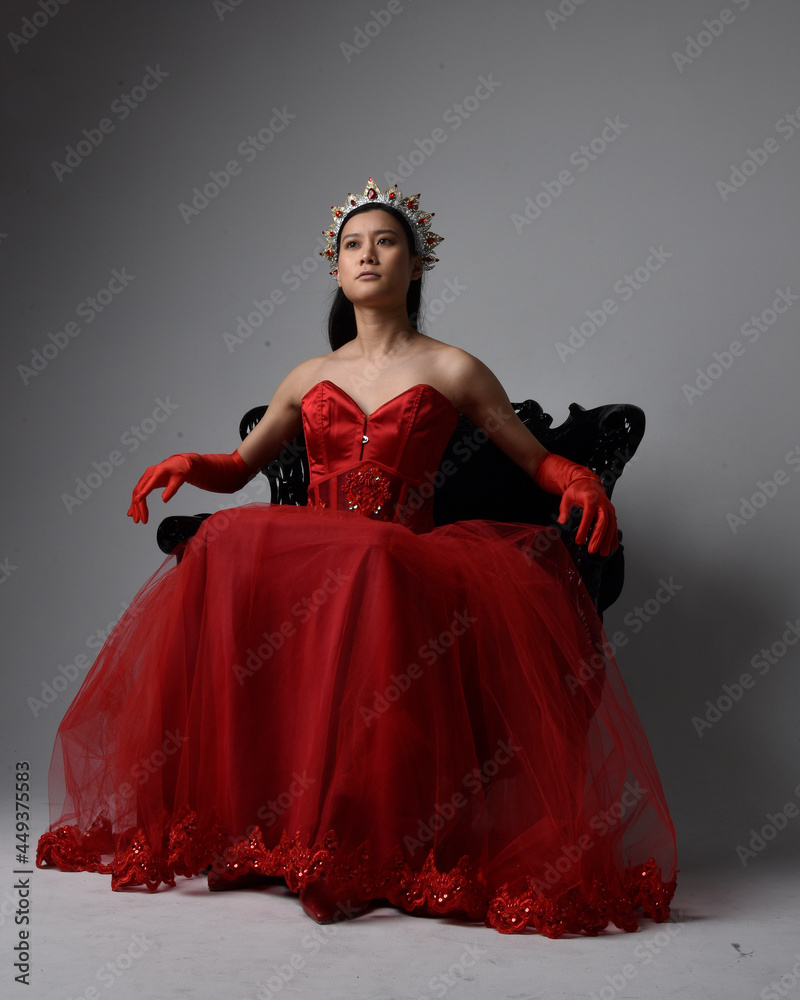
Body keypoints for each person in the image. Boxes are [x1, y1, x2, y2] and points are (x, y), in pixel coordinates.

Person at [37, 179, 677, 936]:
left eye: (385, 242)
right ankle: (254, 825)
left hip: (408, 562)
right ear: (337, 270)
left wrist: (580, 480)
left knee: (371, 556)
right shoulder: (308, 376)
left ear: (414, 265)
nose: (367, 254)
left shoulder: (453, 369)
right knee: (225, 537)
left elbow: (535, 460)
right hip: (322, 558)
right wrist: (188, 463)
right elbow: (240, 468)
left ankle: (358, 840)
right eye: (352, 245)